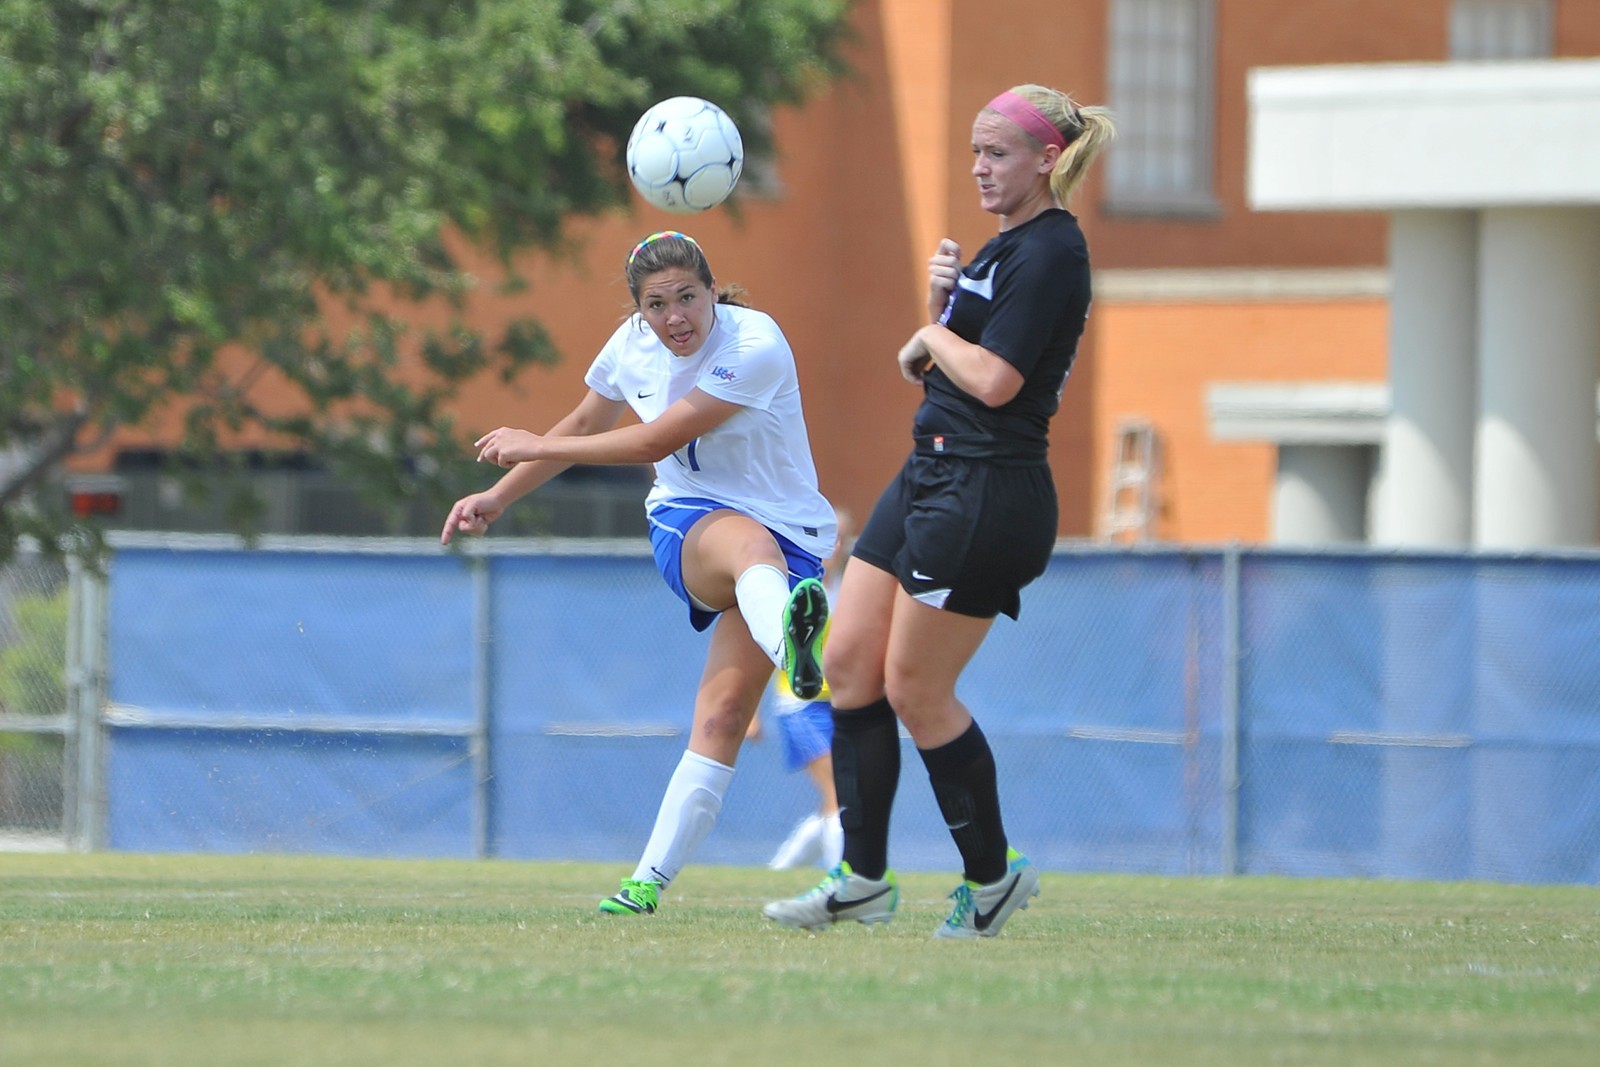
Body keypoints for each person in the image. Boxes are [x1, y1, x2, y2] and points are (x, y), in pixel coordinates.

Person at [763, 84, 1115, 939]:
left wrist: (935, 336)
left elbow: (995, 381)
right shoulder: (1005, 249)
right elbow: (955, 368)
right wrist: (942, 312)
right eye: (975, 152)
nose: (980, 168)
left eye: (997, 153)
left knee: (916, 687)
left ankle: (992, 878)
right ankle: (863, 880)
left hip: (988, 491)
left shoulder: (1054, 250)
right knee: (846, 661)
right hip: (930, 472)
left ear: (1048, 159)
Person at [442, 230, 836, 917]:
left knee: (718, 716)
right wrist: (497, 498)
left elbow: (657, 436)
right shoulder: (632, 343)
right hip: (690, 520)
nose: (675, 316)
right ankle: (798, 653)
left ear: (715, 292)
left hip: (792, 544)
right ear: (638, 309)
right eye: (657, 303)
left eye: (688, 297)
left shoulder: (756, 342)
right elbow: (591, 417)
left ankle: (646, 881)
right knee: (748, 550)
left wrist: (534, 440)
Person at [747, 513, 852, 872]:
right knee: (839, 792)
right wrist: (750, 713)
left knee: (841, 795)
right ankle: (843, 875)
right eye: (827, 537)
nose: (833, 547)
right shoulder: (801, 591)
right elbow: (766, 648)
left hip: (839, 707)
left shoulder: (852, 593)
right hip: (801, 705)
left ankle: (782, 868)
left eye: (840, 539)